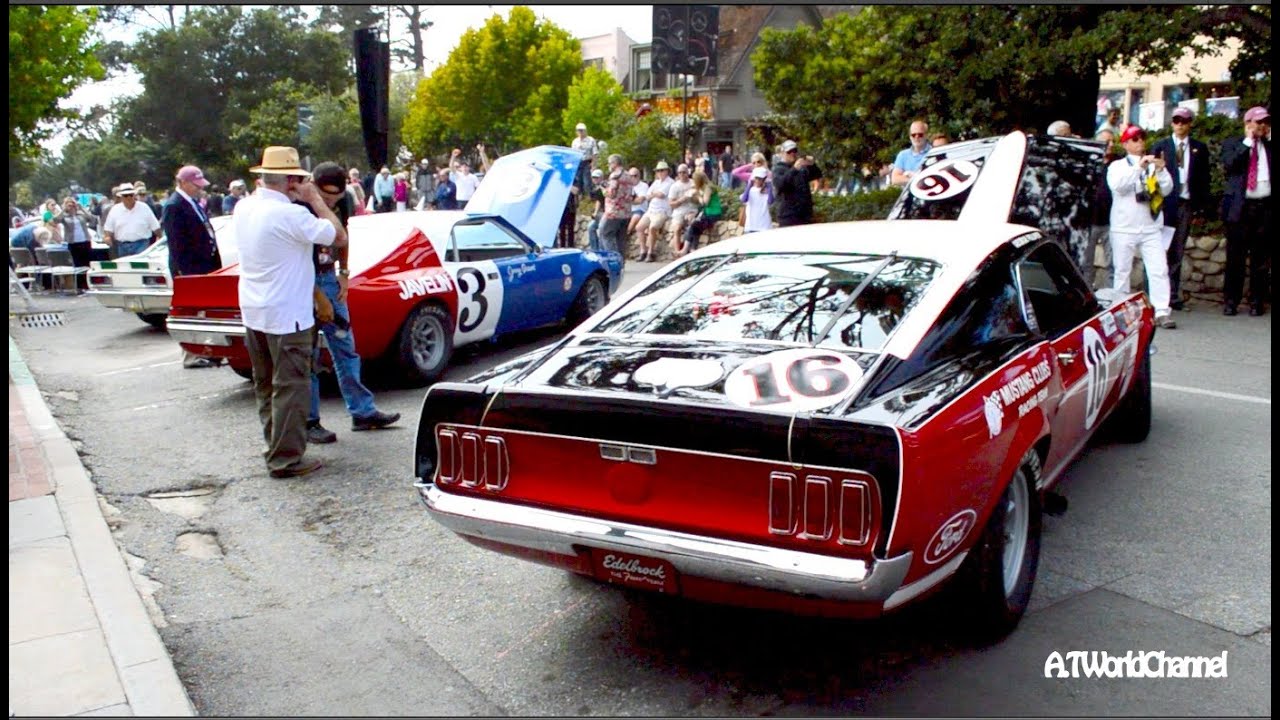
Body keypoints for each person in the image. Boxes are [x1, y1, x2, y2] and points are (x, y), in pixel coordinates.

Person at [234, 146, 347, 479]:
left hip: (255, 309)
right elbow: (338, 236)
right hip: (287, 313)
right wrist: (314, 198)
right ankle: (285, 458)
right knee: (291, 386)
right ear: (290, 180)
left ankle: (275, 444)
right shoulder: (292, 214)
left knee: (266, 384)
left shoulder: (244, 207)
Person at [300, 162, 400, 444]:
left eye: (336, 195)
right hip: (303, 281)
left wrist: (344, 273)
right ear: (314, 186)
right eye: (326, 195)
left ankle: (362, 411)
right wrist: (317, 297)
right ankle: (309, 420)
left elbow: (343, 236)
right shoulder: (300, 206)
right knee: (307, 354)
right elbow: (295, 259)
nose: (330, 200)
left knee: (346, 347)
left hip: (329, 277)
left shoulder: (343, 200)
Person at [1107, 125, 1176, 329]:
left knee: (1158, 269)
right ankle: (1120, 310)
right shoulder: (1117, 166)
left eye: (1141, 138)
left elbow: (1167, 189)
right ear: (1125, 144)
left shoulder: (1153, 165)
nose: (1140, 143)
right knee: (1122, 270)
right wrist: (1139, 168)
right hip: (1124, 226)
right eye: (1135, 139)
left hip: (1150, 226)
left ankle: (1162, 310)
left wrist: (1161, 169)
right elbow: (1119, 186)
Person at [163, 165, 224, 367]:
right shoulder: (174, 206)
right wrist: (185, 275)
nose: (199, 189)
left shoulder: (192, 203)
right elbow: (177, 245)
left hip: (204, 265)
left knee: (207, 310)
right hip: (190, 269)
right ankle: (191, 354)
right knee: (190, 312)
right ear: (183, 183)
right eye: (195, 185)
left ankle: (210, 351)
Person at [1151, 107, 1210, 311]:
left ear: (1190, 123)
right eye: (1176, 121)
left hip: (1185, 204)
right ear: (1172, 123)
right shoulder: (1161, 146)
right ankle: (1154, 296)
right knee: (1158, 251)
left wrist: (1200, 209)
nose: (1180, 125)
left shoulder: (1199, 148)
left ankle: (1173, 296)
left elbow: (1204, 179)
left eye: (1184, 121)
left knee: (1177, 252)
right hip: (1165, 205)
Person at [1220, 106, 1272, 316]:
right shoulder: (1233, 144)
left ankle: (1257, 300)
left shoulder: (1269, 147)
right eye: (1258, 123)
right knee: (1235, 258)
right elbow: (1230, 165)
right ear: (1248, 124)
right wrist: (1248, 143)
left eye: (1265, 123)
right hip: (1240, 209)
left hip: (1264, 207)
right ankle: (1231, 300)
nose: (1263, 127)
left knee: (1261, 258)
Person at [101, 183, 161, 257]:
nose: (129, 198)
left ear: (134, 196)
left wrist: (159, 238)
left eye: (131, 195)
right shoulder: (115, 210)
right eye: (125, 196)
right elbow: (108, 228)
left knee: (140, 267)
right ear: (121, 197)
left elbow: (155, 226)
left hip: (142, 244)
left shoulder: (144, 208)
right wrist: (107, 237)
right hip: (122, 246)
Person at [772, 139, 822, 227]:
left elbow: (817, 175)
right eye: (789, 151)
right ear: (783, 153)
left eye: (794, 151)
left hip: (804, 215)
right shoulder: (778, 169)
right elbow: (780, 185)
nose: (792, 153)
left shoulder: (802, 168)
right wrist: (794, 169)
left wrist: (812, 164)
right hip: (788, 216)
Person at [599, 153, 635, 266]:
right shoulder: (628, 175)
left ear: (615, 163)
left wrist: (603, 189)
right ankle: (622, 262)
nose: (609, 165)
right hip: (627, 212)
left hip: (614, 212)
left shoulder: (615, 175)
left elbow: (612, 194)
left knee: (605, 233)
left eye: (610, 163)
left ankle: (614, 262)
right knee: (621, 238)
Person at [638, 160, 674, 263]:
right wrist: (654, 194)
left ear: (667, 171)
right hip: (651, 210)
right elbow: (648, 196)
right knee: (639, 227)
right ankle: (643, 250)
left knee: (652, 228)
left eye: (662, 170)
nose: (660, 173)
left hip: (662, 211)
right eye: (658, 171)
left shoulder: (670, 182)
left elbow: (661, 194)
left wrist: (654, 194)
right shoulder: (656, 182)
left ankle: (651, 251)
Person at [678, 169, 720, 257]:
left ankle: (685, 250)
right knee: (695, 228)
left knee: (694, 226)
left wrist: (697, 195)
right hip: (707, 213)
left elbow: (705, 202)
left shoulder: (708, 188)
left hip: (712, 214)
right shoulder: (704, 187)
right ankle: (692, 249)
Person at [52, 196, 96, 270]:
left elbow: (92, 219)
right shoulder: (64, 216)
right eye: (69, 205)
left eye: (72, 204)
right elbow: (55, 220)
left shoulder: (80, 214)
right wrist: (63, 210)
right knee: (77, 264)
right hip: (73, 243)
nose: (71, 207)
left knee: (88, 263)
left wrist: (82, 208)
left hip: (85, 241)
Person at [666, 163, 697, 248]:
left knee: (692, 223)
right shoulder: (674, 186)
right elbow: (671, 204)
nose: (682, 174)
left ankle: (691, 248)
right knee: (677, 229)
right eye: (680, 172)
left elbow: (700, 201)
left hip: (692, 209)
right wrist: (682, 199)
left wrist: (693, 197)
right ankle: (677, 251)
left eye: (684, 172)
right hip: (679, 211)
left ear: (688, 172)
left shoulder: (693, 183)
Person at [891, 121, 930, 186]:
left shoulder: (934, 152)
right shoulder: (903, 155)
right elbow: (895, 179)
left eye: (920, 135)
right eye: (913, 135)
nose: (916, 137)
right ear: (910, 137)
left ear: (926, 135)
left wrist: (909, 176)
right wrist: (917, 178)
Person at [740, 165, 774, 233]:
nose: (758, 180)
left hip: (764, 226)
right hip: (751, 225)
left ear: (764, 179)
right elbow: (744, 199)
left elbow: (770, 201)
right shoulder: (750, 190)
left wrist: (770, 187)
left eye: (760, 178)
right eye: (756, 178)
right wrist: (749, 185)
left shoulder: (766, 191)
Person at [626, 167, 649, 253]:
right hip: (628, 211)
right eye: (631, 176)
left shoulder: (643, 186)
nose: (633, 178)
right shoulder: (627, 186)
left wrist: (629, 201)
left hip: (641, 210)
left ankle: (627, 233)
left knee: (636, 217)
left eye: (635, 176)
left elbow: (640, 200)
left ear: (639, 176)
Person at [585, 168, 605, 252]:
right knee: (591, 227)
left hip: (607, 213)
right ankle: (594, 249)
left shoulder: (603, 186)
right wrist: (595, 213)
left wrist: (596, 212)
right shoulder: (595, 188)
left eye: (597, 177)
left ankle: (601, 250)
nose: (594, 179)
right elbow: (598, 201)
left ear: (601, 178)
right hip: (601, 212)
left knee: (601, 229)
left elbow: (600, 201)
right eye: (593, 177)